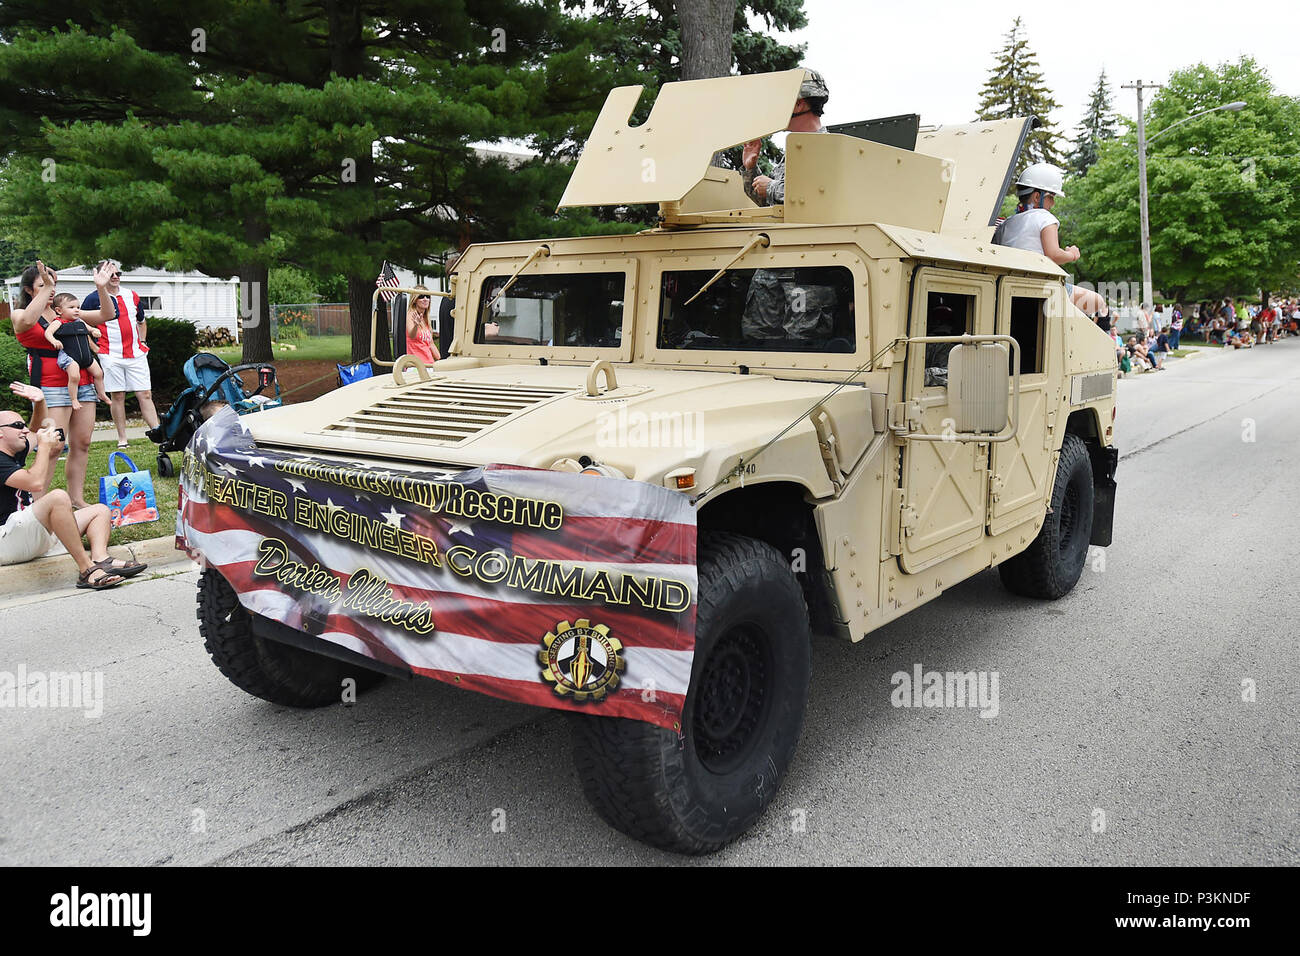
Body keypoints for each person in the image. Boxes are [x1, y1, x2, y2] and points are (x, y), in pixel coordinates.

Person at [0, 382, 146, 584]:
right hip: (6, 539)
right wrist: (43, 447)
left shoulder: (13, 450)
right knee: (59, 497)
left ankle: (101, 559)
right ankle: (87, 570)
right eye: (18, 426)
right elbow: (35, 483)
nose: (25, 430)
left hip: (26, 534)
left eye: (23, 425)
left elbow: (37, 428)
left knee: (100, 511)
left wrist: (41, 400)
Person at [11, 261, 119, 509]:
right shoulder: (21, 314)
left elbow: (107, 314)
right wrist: (47, 287)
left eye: (54, 284)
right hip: (50, 385)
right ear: (29, 290)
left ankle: (75, 498)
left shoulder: (65, 312)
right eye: (43, 285)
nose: (51, 289)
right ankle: (36, 505)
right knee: (53, 445)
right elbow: (27, 320)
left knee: (82, 442)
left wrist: (101, 288)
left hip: (82, 381)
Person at [992, 163, 1113, 325]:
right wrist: (1072, 254)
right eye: (1051, 197)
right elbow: (1054, 254)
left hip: (1010, 288)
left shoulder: (1006, 224)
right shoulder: (1045, 217)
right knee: (1099, 303)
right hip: (1043, 286)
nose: (1053, 203)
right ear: (1037, 197)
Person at [81, 259, 161, 449]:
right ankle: (122, 438)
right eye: (111, 274)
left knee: (145, 394)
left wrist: (142, 342)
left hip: (136, 354)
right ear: (102, 276)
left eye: (118, 274)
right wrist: (94, 347)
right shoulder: (93, 299)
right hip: (110, 354)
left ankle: (158, 433)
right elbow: (79, 322)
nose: (116, 277)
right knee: (117, 396)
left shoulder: (131, 295)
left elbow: (141, 321)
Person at [741, 68, 830, 206]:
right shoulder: (797, 147)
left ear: (798, 105)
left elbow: (819, 197)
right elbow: (767, 202)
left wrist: (771, 187)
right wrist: (751, 168)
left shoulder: (826, 147)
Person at [43, 293, 110, 410]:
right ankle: (74, 399)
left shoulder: (80, 321)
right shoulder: (58, 322)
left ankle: (101, 393)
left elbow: (90, 329)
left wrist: (94, 331)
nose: (76, 310)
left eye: (78, 307)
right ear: (59, 310)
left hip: (85, 356)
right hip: (69, 356)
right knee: (74, 376)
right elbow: (48, 333)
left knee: (99, 373)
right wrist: (54, 340)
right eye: (71, 307)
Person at [405, 286, 441, 364]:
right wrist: (416, 325)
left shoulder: (426, 318)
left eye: (428, 296)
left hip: (429, 364)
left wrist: (441, 361)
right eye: (421, 296)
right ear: (415, 300)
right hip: (415, 365)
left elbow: (431, 344)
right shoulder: (411, 314)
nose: (425, 299)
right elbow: (411, 335)